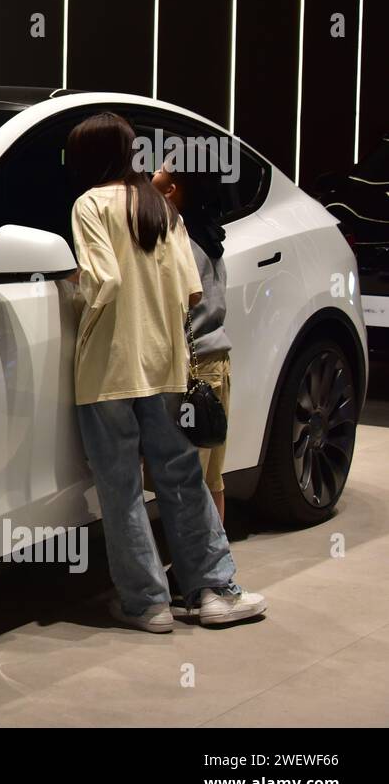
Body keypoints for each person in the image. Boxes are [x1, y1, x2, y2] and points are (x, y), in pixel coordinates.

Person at [67, 112, 265, 631]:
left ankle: (148, 604)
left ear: (87, 159)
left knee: (121, 487)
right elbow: (190, 291)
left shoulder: (89, 204)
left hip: (108, 368)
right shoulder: (159, 205)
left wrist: (70, 288)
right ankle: (215, 592)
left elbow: (101, 282)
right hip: (166, 365)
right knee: (182, 479)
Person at [152, 157, 231, 523]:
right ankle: (218, 567)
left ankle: (196, 573)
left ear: (172, 190)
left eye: (160, 169)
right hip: (217, 366)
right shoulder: (210, 232)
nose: (151, 171)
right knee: (211, 476)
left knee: (188, 480)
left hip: (191, 368)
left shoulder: (176, 233)